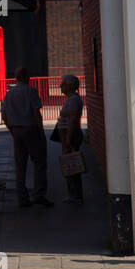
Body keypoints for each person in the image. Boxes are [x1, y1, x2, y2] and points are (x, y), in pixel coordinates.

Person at [0, 68, 52, 208]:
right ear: (27, 77)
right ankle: (39, 194)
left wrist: (11, 129)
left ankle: (22, 198)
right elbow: (36, 113)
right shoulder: (31, 91)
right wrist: (41, 132)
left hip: (17, 131)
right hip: (31, 129)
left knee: (20, 165)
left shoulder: (9, 94)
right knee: (39, 162)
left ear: (16, 78)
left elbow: (4, 115)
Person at [52, 74, 84, 202]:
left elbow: (73, 121)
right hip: (67, 136)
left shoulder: (73, 100)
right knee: (70, 164)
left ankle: (75, 194)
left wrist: (68, 140)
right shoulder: (72, 99)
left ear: (69, 86)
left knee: (72, 165)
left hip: (70, 136)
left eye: (63, 84)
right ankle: (73, 193)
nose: (60, 86)